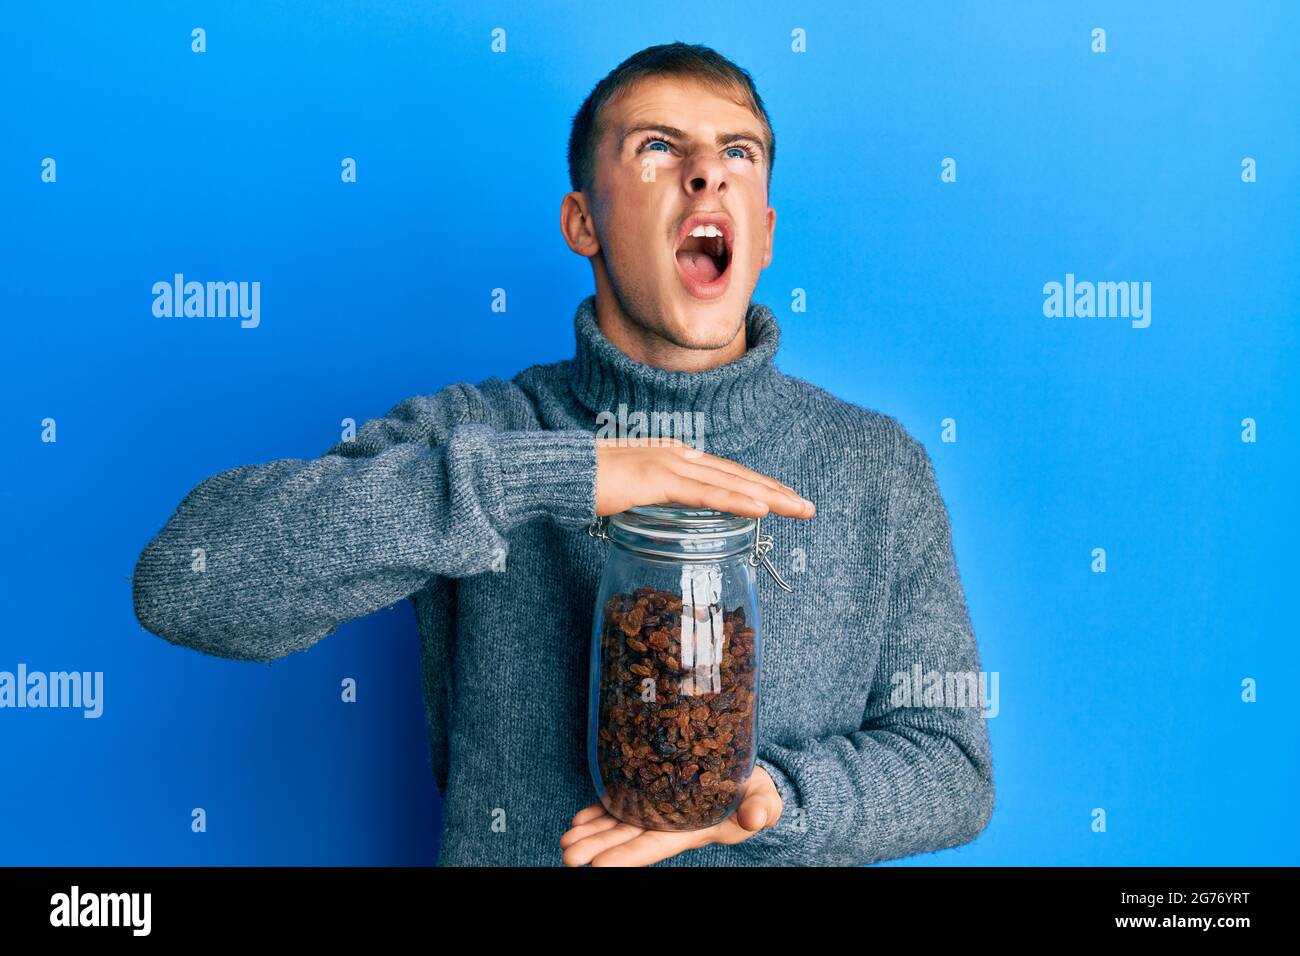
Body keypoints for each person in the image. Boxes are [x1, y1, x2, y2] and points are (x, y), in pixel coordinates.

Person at [131, 42, 994, 867]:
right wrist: (557, 473)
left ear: (761, 233)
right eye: (659, 146)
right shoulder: (481, 429)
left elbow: (952, 766)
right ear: (582, 221)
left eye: (737, 150)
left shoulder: (877, 465)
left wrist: (775, 797)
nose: (707, 170)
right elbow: (186, 585)